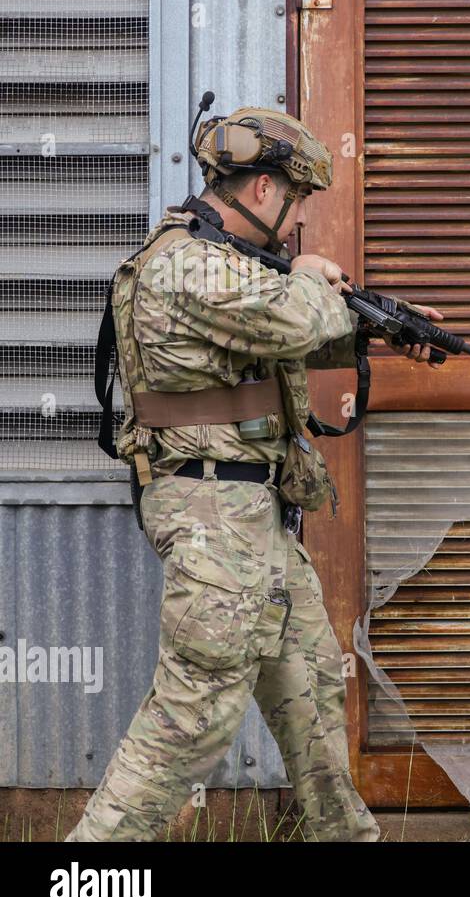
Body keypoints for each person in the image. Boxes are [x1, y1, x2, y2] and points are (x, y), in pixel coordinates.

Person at [70, 106, 440, 841]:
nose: (295, 222)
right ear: (265, 189)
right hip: (211, 516)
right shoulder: (184, 261)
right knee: (194, 716)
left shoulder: (226, 266)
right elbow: (293, 320)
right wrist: (312, 277)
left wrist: (386, 325)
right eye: (296, 203)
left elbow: (259, 348)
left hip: (253, 516)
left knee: (310, 688)